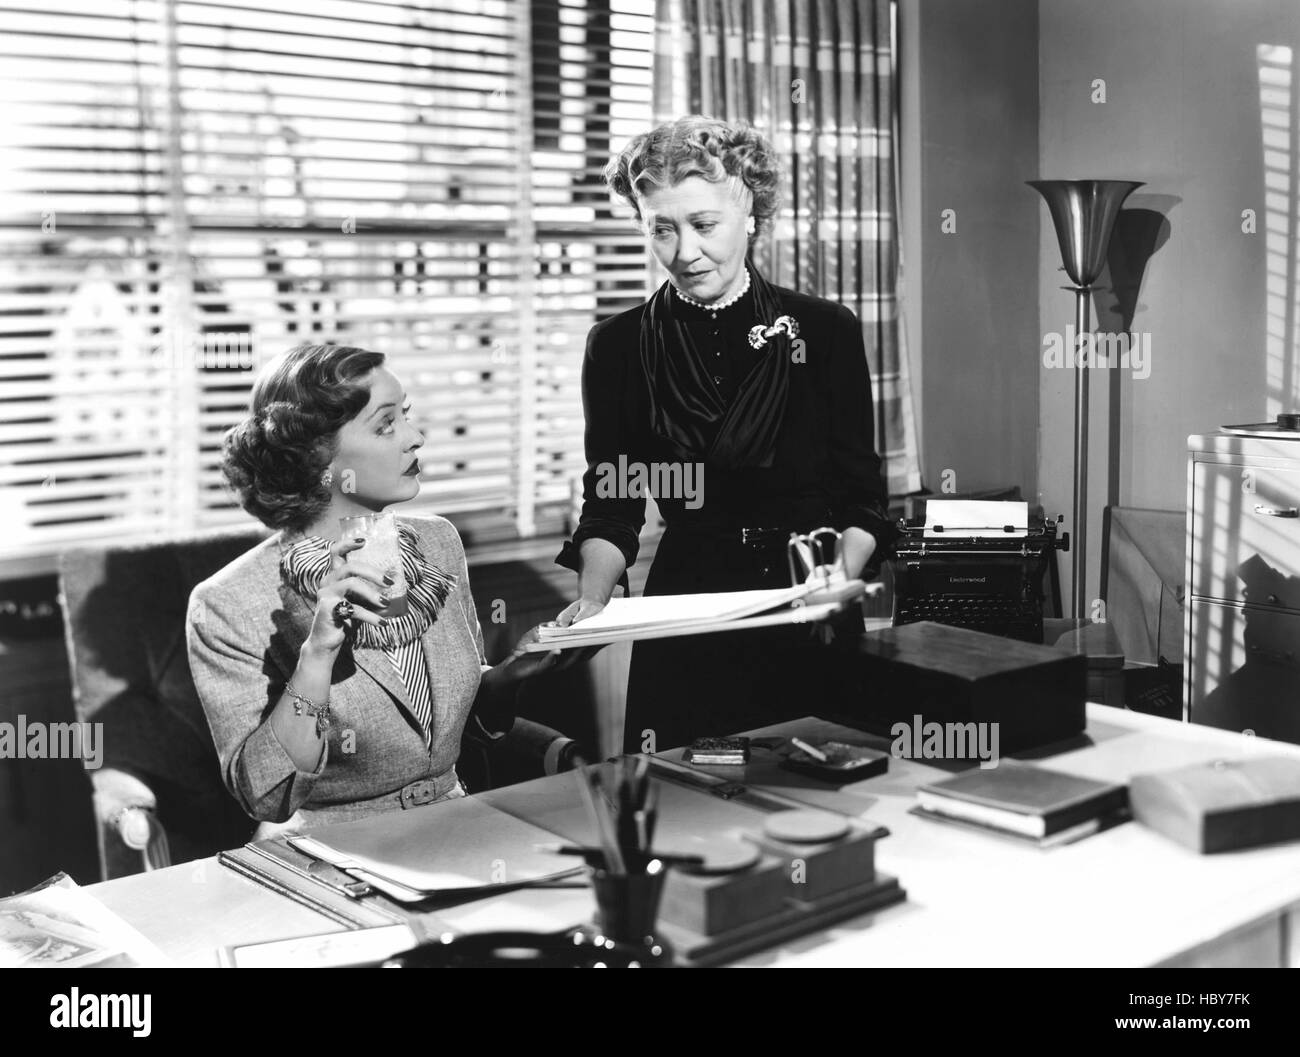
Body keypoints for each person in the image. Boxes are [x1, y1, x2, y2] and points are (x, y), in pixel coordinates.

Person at [555, 116, 897, 754]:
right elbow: (613, 503)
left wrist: (832, 581)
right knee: (688, 789)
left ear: (752, 216)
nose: (685, 252)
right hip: (688, 613)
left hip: (807, 601)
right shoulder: (617, 348)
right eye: (661, 229)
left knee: (817, 790)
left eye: (704, 225)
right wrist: (594, 599)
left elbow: (863, 499)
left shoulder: (825, 331)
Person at [187, 342, 577, 829]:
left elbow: (446, 727)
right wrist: (318, 655)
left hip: (456, 822)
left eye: (405, 416)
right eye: (386, 424)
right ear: (317, 456)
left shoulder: (437, 543)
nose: (416, 438)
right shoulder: (227, 603)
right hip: (331, 846)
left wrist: (508, 677)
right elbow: (267, 796)